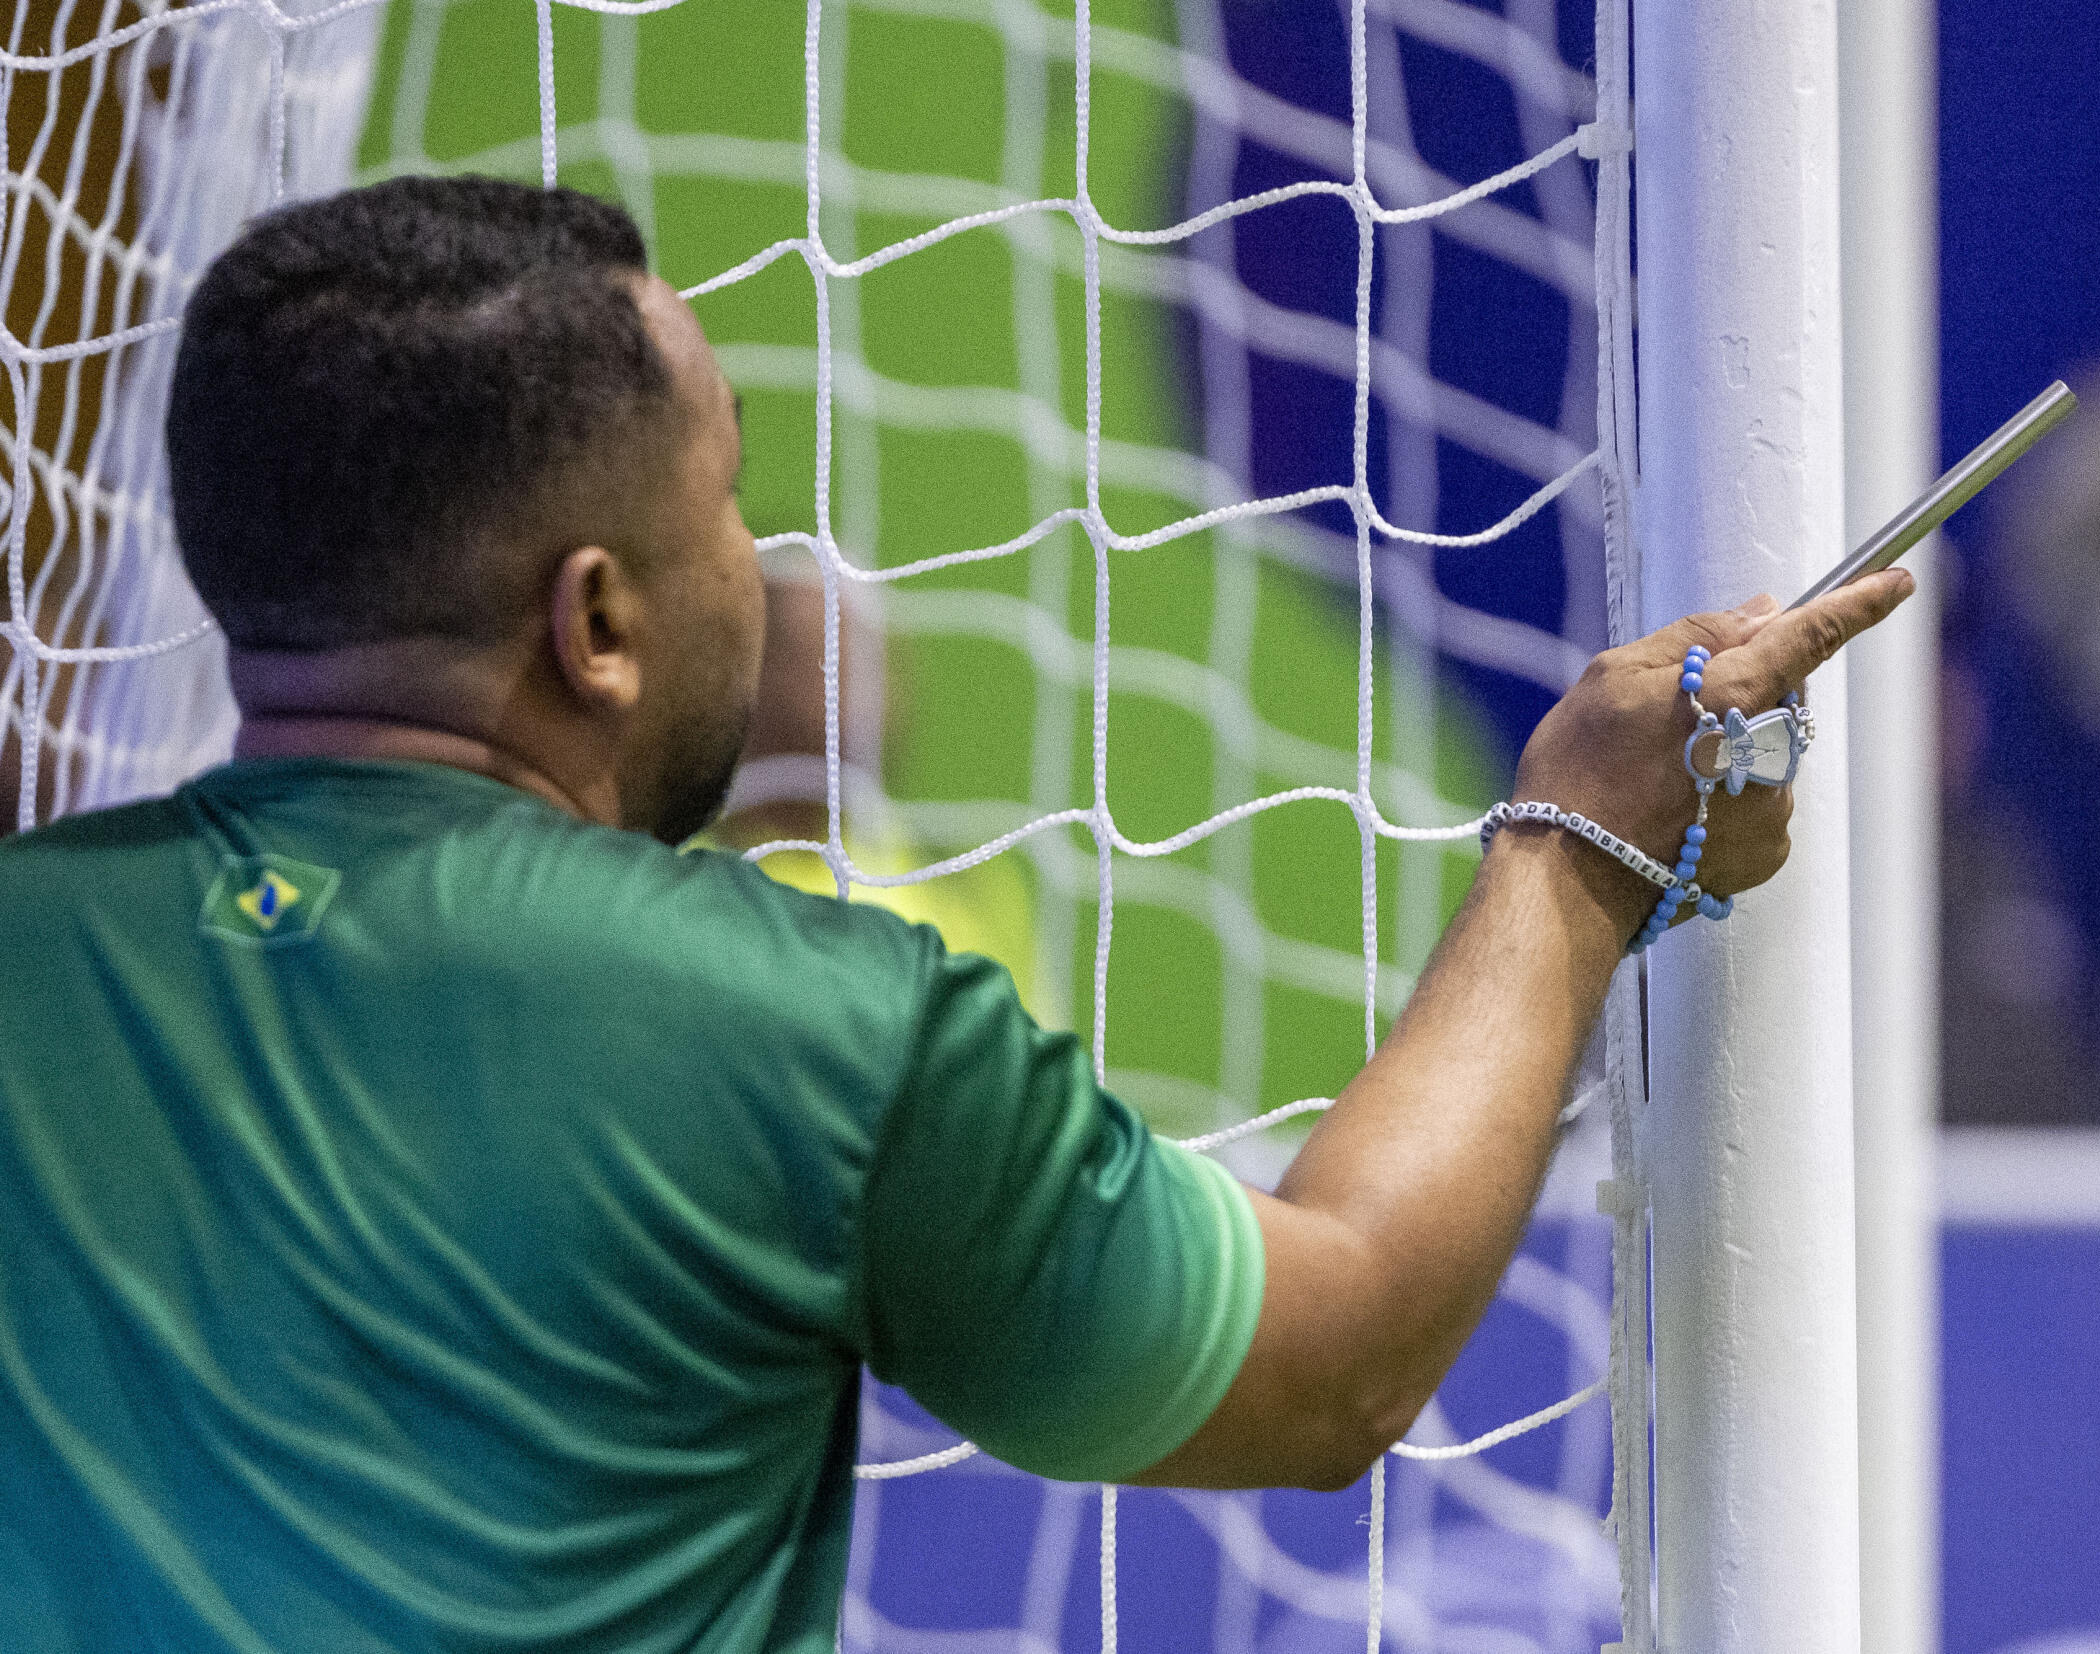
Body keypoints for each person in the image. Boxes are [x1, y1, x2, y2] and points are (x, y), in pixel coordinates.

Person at [0, 176, 1911, 1650]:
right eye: (732, 502)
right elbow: (1335, 1355)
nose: (763, 569)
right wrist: (1575, 843)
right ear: (593, 618)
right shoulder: (812, 1028)